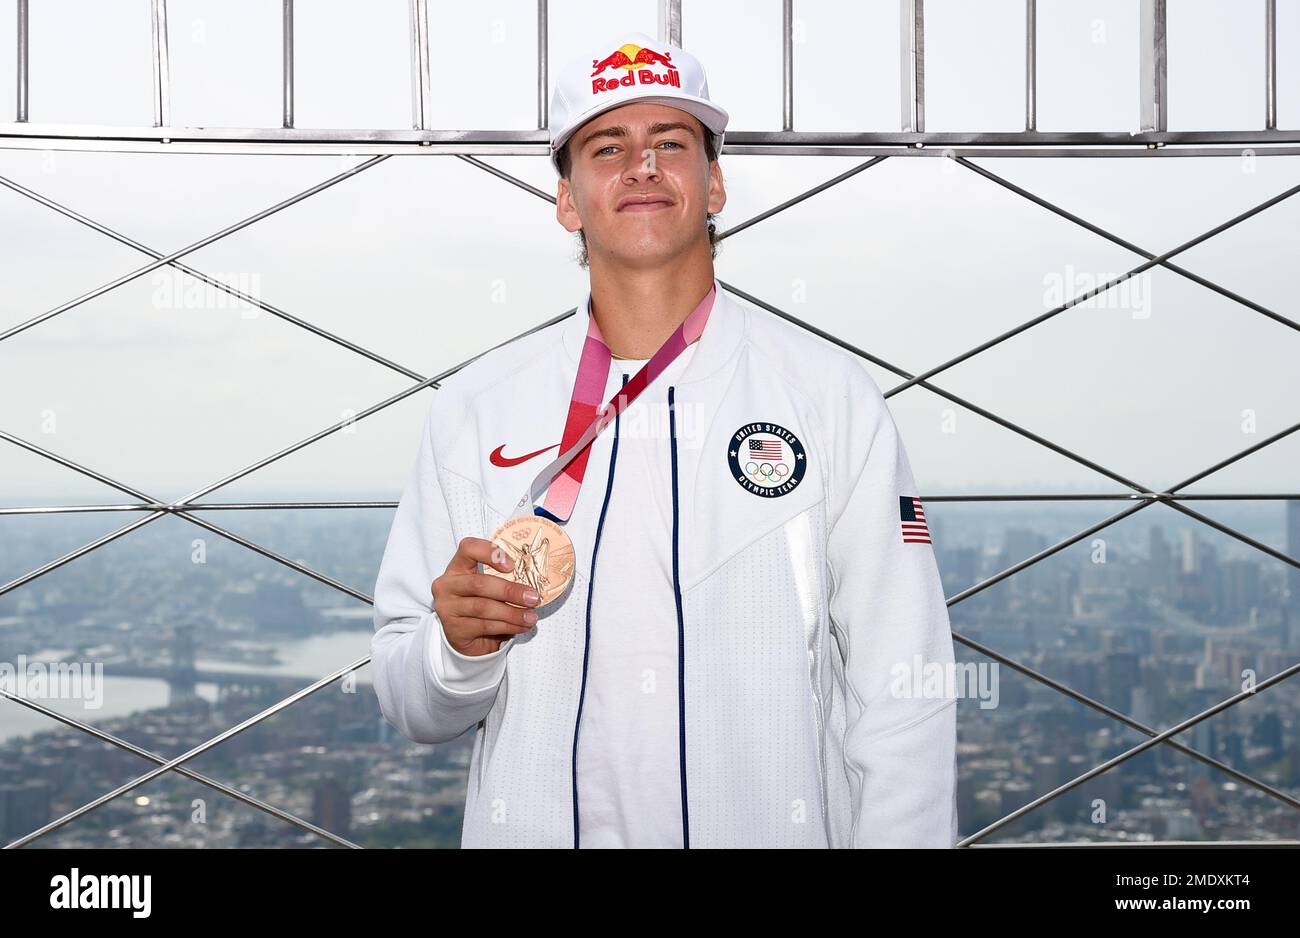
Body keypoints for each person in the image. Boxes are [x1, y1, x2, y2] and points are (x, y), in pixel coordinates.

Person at [370, 30, 959, 848]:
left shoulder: (831, 397)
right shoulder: (474, 408)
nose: (641, 166)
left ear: (713, 184)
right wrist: (456, 650)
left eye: (670, 144)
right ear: (568, 200)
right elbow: (408, 698)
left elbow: (904, 696)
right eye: (607, 146)